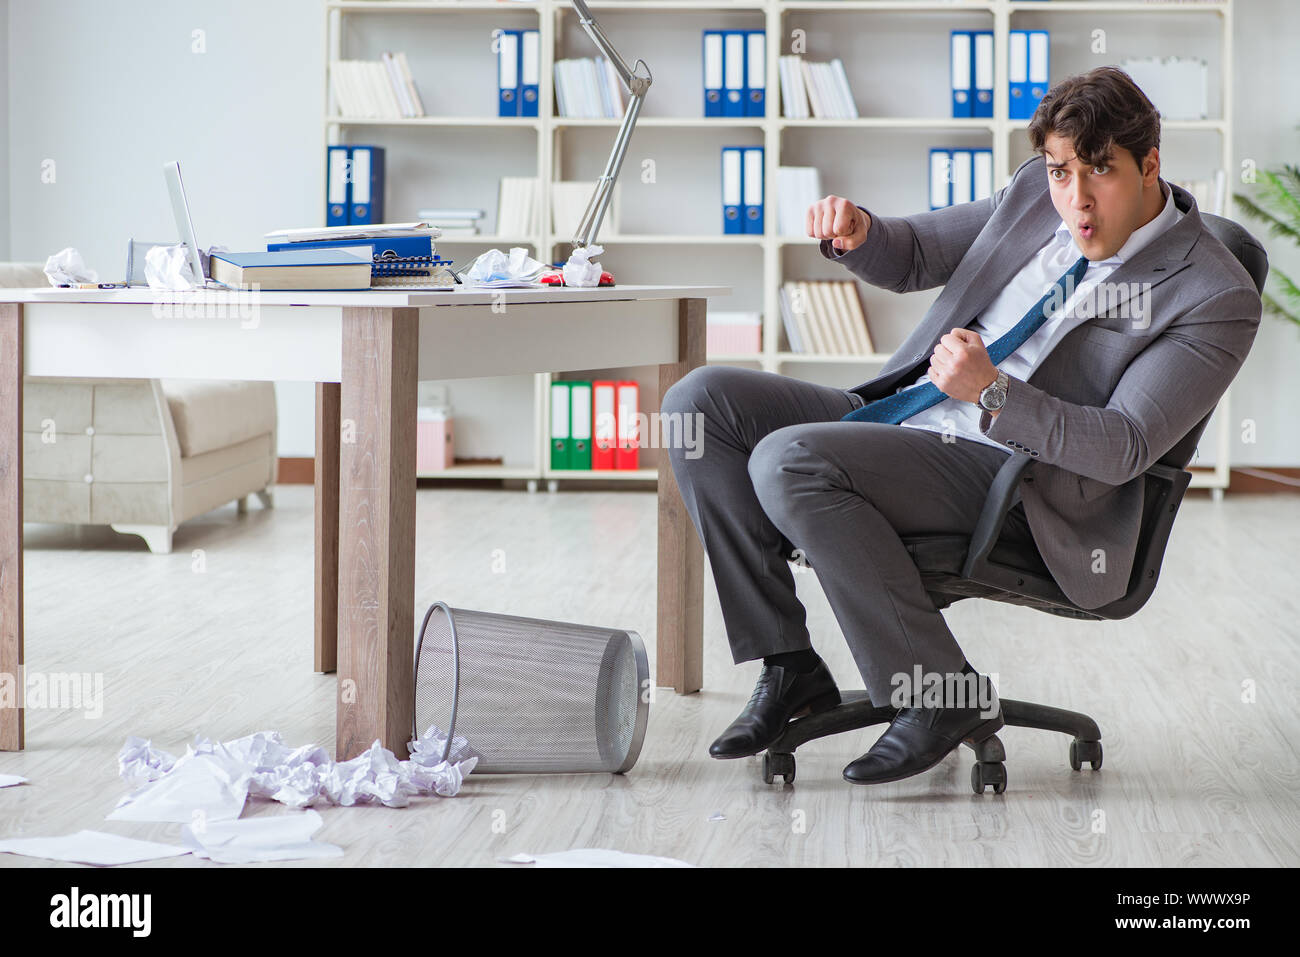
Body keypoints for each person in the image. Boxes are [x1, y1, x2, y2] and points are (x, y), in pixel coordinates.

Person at [660, 66, 1262, 786]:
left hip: (1017, 479)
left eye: (1098, 173)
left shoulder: (1213, 293)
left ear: (1150, 165)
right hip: (908, 416)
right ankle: (789, 664)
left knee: (790, 460)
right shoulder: (1035, 195)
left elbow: (1124, 446)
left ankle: (938, 692)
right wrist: (861, 234)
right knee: (697, 404)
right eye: (1061, 172)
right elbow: (917, 253)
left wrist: (995, 392)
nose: (1075, 200)